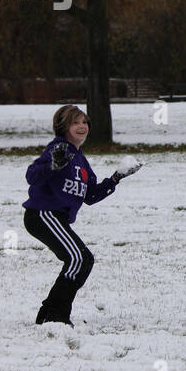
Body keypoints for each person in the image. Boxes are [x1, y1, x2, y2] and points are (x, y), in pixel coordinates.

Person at [22, 105, 141, 326]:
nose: (82, 126)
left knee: (83, 260)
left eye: (84, 122)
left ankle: (49, 313)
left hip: (55, 218)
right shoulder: (59, 148)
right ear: (63, 127)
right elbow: (32, 175)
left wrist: (116, 178)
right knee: (77, 258)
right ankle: (55, 316)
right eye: (75, 122)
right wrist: (53, 164)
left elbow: (91, 195)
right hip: (42, 214)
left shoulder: (80, 160)